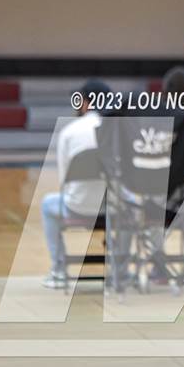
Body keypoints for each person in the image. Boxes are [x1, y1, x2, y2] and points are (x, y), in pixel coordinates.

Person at [41, 80, 109, 289]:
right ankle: (122, 272)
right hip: (114, 210)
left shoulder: (70, 132)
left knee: (47, 204)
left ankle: (59, 271)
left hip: (77, 207)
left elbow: (64, 180)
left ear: (88, 103)